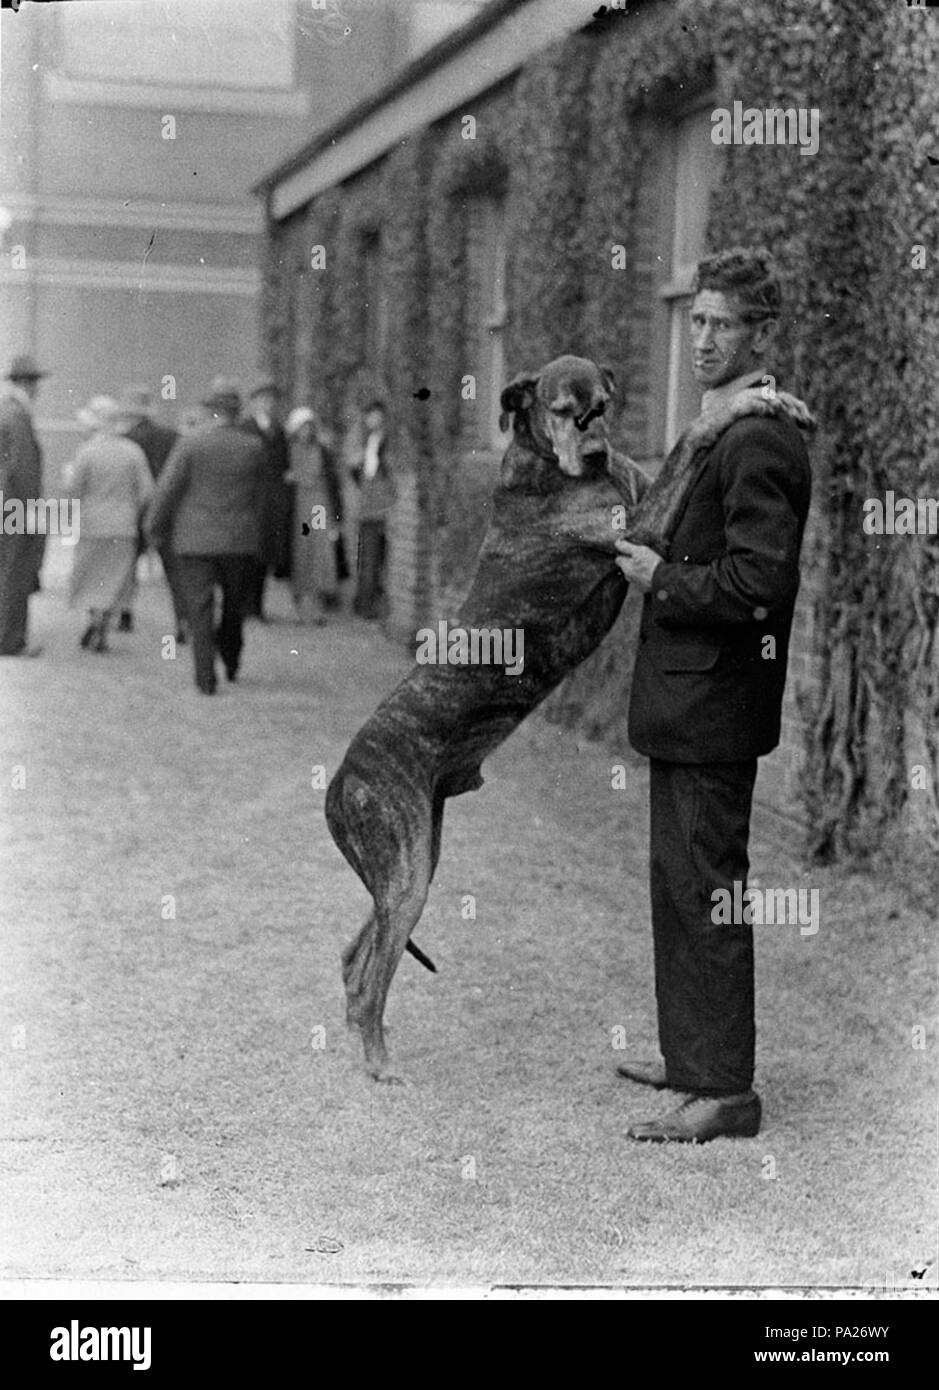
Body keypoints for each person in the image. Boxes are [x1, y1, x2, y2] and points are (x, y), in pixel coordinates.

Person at [613, 247, 813, 1143]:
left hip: (714, 708)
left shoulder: (760, 439)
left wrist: (660, 578)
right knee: (679, 886)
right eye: (695, 321)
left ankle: (727, 1089)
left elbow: (757, 583)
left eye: (721, 324)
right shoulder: (725, 426)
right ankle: (693, 1062)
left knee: (709, 892)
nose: (700, 339)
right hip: (689, 707)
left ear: (760, 334)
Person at [145, 378, 264, 694]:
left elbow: (168, 489)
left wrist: (153, 526)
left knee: (199, 607)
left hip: (195, 541)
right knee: (234, 606)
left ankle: (205, 677)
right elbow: (260, 496)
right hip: (239, 541)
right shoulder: (253, 448)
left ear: (210, 411)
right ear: (237, 413)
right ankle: (232, 658)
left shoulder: (191, 444)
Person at [65, 396, 154, 653]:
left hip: (92, 524)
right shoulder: (133, 452)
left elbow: (74, 489)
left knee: (92, 576)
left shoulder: (87, 452)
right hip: (123, 526)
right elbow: (147, 491)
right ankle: (104, 622)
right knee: (114, 578)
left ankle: (94, 619)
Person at [117, 386, 185, 641]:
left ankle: (125, 615)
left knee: (128, 566)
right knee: (174, 571)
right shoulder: (171, 436)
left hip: (135, 510)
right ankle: (183, 622)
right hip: (166, 510)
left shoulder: (125, 441)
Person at [0, 353, 48, 657]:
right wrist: (35, 515)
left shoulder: (6, 411)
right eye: (35, 383)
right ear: (27, 384)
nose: (38, 390)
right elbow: (23, 469)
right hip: (17, 507)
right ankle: (10, 640)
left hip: (6, 503)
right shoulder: (18, 416)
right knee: (16, 573)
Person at [284, 406, 343, 623]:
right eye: (302, 428)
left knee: (320, 553)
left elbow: (332, 482)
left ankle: (318, 607)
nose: (306, 432)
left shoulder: (322, 451)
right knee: (301, 554)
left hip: (319, 507)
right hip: (298, 508)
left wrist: (337, 515)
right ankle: (300, 607)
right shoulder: (288, 450)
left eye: (310, 428)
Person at [242, 377, 292, 620]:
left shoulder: (279, 430)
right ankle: (245, 605)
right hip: (252, 497)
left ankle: (257, 606)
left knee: (264, 554)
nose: (268, 405)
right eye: (263, 400)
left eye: (272, 401)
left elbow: (283, 464)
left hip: (271, 500)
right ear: (253, 403)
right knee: (249, 552)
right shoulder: (246, 427)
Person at [349, 399, 395, 619]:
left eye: (377, 415)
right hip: (367, 509)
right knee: (367, 558)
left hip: (382, 509)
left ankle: (370, 603)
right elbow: (361, 474)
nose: (373, 420)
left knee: (377, 559)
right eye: (370, 416)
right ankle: (364, 603)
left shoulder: (386, 442)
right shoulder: (366, 441)